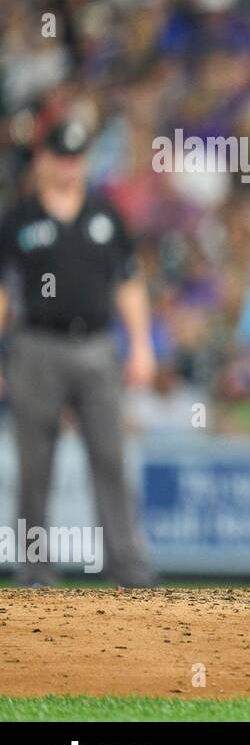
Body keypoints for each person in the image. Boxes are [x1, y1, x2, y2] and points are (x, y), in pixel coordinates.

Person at [0, 119, 157, 586]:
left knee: (110, 456)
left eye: (76, 158)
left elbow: (129, 282)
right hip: (36, 345)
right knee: (34, 462)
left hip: (96, 345)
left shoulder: (105, 216)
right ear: (45, 160)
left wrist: (142, 345)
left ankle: (126, 564)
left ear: (85, 162)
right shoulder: (20, 217)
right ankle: (33, 568)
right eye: (61, 157)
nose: (69, 167)